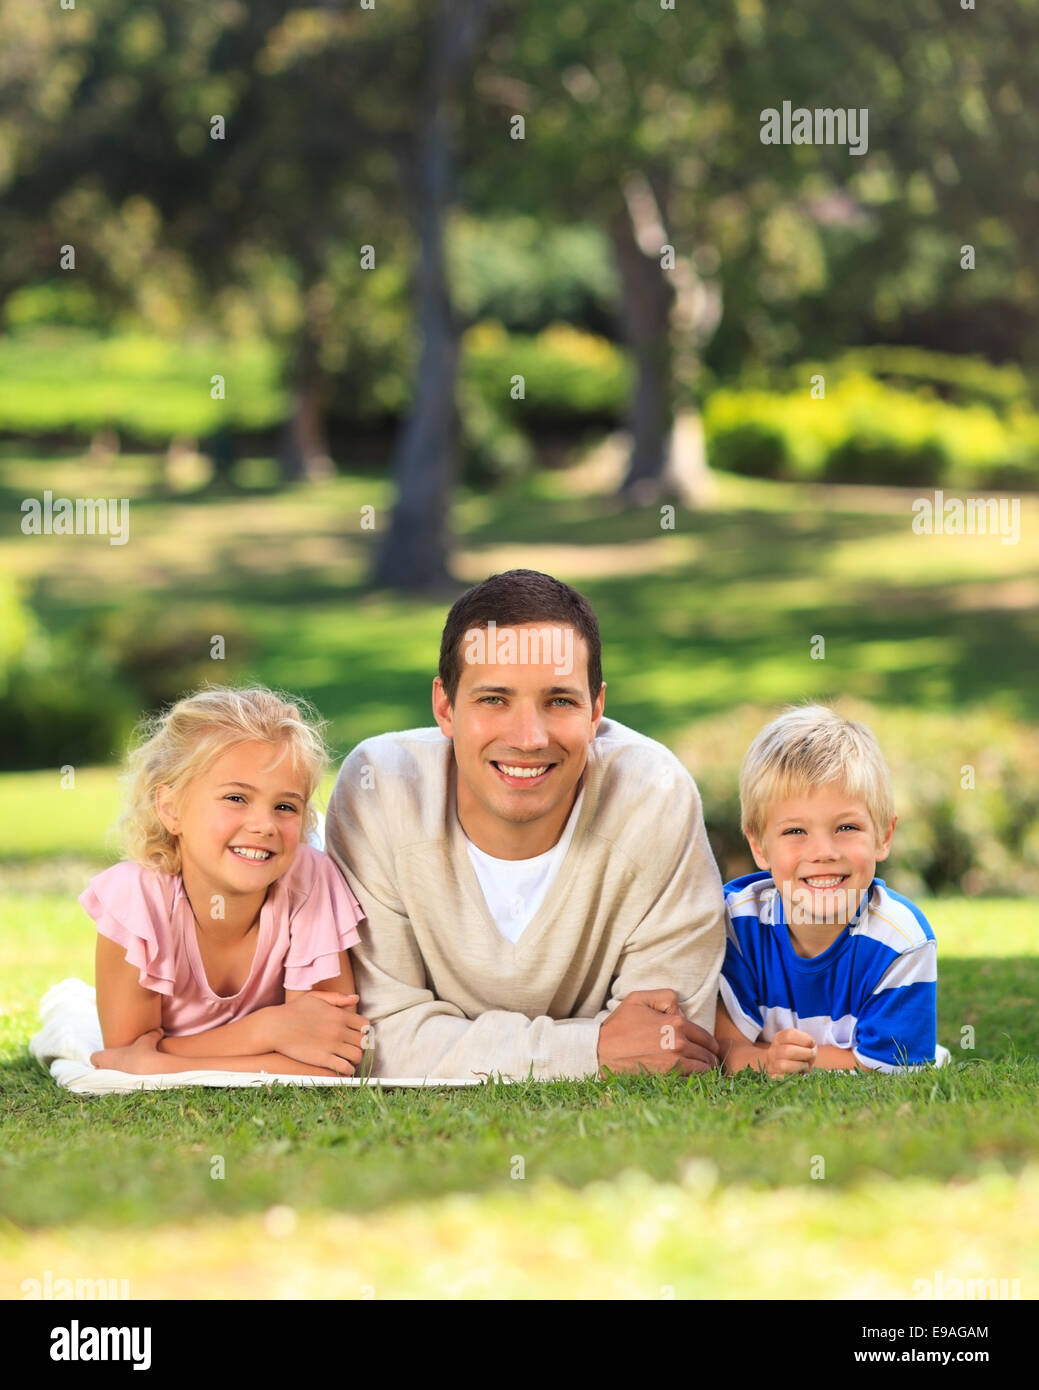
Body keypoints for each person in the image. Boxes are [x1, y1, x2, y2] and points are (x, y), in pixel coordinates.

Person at [325, 569, 726, 1081]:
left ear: (596, 708)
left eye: (560, 701)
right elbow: (375, 1037)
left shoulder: (653, 795)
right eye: (494, 699)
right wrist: (591, 1052)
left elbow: (669, 1042)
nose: (529, 738)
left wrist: (449, 1045)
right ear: (445, 707)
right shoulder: (379, 788)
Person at [85, 685, 370, 1077]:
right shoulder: (136, 900)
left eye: (285, 806)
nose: (263, 825)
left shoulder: (311, 883)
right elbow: (123, 1058)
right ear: (170, 808)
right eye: (236, 798)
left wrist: (160, 1061)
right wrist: (268, 1030)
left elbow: (330, 1061)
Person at [714, 704, 950, 1076]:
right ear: (759, 846)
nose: (823, 852)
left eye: (846, 828)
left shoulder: (900, 940)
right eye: (795, 832)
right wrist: (764, 1059)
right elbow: (720, 1047)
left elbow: (891, 1069)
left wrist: (779, 1061)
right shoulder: (736, 923)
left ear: (883, 836)